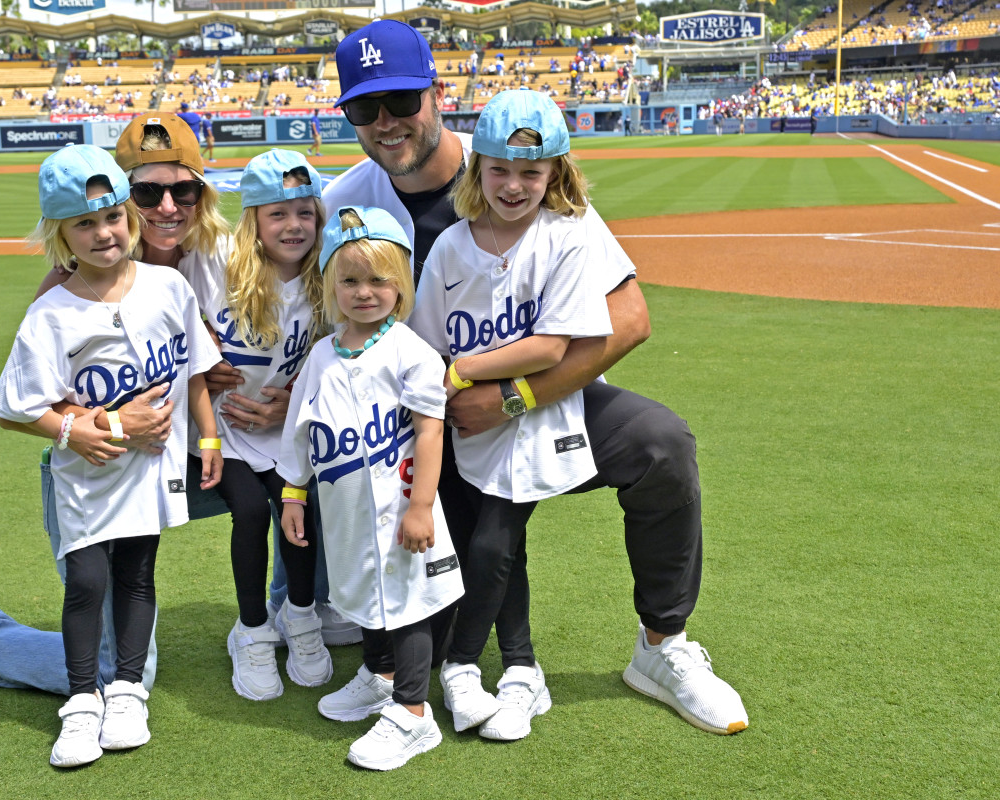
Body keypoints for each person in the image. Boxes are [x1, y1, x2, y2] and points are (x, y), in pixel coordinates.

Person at [315, 18, 748, 737]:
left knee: (660, 445)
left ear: (436, 93)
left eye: (400, 102)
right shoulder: (349, 198)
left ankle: (661, 646)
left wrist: (513, 398)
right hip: (431, 419)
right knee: (459, 541)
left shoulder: (513, 162)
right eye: (365, 109)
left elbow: (628, 317)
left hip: (537, 396)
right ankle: (374, 640)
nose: (386, 123)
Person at [0, 114, 245, 696]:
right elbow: (36, 406)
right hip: (101, 464)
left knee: (298, 487)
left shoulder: (219, 257)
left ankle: (292, 617)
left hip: (186, 456)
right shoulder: (66, 289)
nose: (165, 207)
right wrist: (110, 420)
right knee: (118, 669)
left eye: (182, 191)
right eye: (146, 192)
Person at [0, 144, 224, 766]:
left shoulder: (169, 285)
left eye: (112, 217)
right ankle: (82, 700)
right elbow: (16, 408)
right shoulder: (51, 313)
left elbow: (196, 369)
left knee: (138, 575)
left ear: (130, 216)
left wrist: (209, 436)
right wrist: (77, 432)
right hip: (86, 476)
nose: (103, 233)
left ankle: (125, 691)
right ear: (59, 233)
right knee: (87, 584)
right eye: (83, 224)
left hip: (149, 471)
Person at [409, 90, 611, 741]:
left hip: (536, 418)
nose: (514, 185)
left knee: (495, 538)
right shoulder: (449, 247)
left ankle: (462, 667)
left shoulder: (566, 235)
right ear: (478, 170)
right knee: (488, 542)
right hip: (464, 425)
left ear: (556, 171)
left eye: (531, 171)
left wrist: (464, 372)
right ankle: (520, 665)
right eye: (498, 168)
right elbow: (428, 339)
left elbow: (551, 345)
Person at [278, 206, 462, 771]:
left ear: (402, 283)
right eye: (350, 279)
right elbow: (298, 431)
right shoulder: (323, 356)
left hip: (405, 509)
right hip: (348, 511)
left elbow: (430, 431)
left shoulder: (410, 350)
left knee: (407, 606)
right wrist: (292, 493)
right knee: (364, 598)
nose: (364, 292)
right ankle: (380, 678)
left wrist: (422, 507)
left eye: (379, 279)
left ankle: (412, 714)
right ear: (330, 285)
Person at [204, 149, 333, 700]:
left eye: (305, 212)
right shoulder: (217, 265)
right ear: (252, 219)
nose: (294, 225)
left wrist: (295, 399)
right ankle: (252, 628)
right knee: (253, 510)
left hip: (284, 431)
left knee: (299, 508)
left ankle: (300, 615)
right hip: (225, 428)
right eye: (277, 213)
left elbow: (329, 353)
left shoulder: (325, 277)